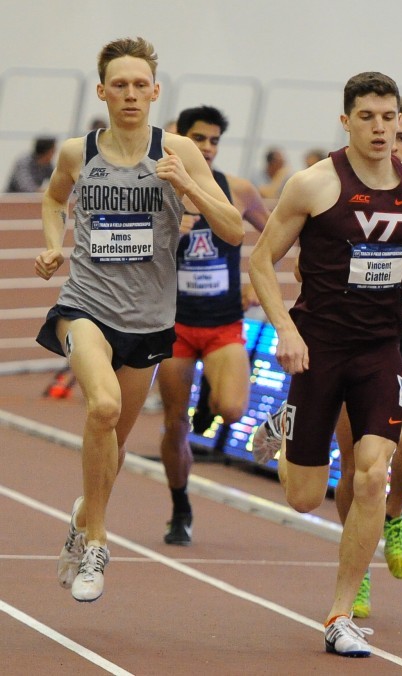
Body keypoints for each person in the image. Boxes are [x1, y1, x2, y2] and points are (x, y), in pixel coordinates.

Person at [36, 37, 241, 603]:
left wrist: (187, 184)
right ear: (102, 91)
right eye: (118, 85)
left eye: (139, 85)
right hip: (85, 305)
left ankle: (85, 513)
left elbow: (234, 229)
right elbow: (54, 200)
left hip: (150, 319)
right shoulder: (79, 153)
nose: (129, 94)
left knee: (115, 445)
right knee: (100, 406)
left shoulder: (177, 150)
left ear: (155, 92)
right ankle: (98, 541)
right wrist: (54, 245)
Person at [248, 71, 402, 658]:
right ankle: (283, 425)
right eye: (368, 117)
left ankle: (340, 612)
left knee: (374, 472)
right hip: (318, 348)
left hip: (380, 352)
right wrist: (287, 329)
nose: (381, 128)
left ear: (400, 121)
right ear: (345, 119)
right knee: (304, 497)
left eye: (389, 118)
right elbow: (260, 262)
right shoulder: (313, 184)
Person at [332, 95, 402, 619]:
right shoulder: (341, 187)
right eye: (382, 130)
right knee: (357, 469)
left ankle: (394, 516)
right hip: (354, 343)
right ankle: (357, 574)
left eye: (401, 134)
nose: (391, 142)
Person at [158, 105, 270, 546]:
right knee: (173, 425)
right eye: (198, 139)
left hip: (224, 322)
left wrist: (260, 283)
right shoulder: (161, 188)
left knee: (233, 410)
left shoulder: (237, 190)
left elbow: (278, 232)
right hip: (175, 325)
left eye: (214, 140)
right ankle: (180, 505)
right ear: (180, 140)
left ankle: (207, 392)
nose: (206, 148)